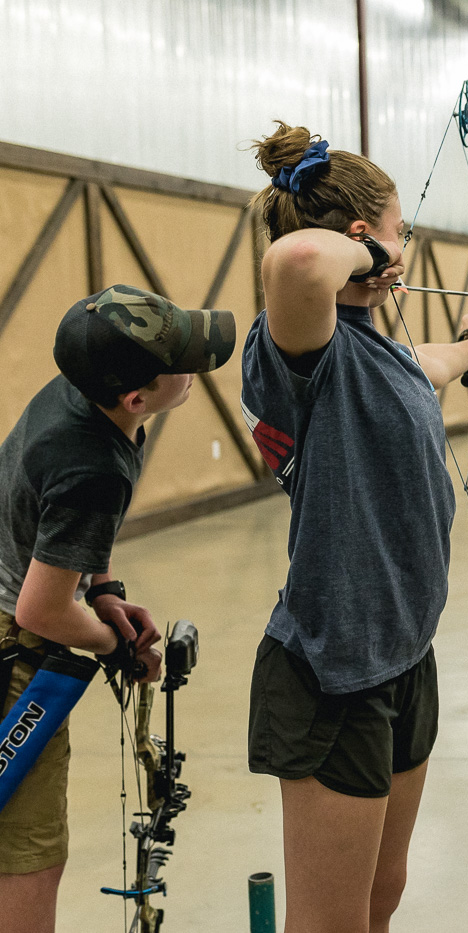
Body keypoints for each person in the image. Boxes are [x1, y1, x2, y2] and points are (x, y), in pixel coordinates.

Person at [241, 123, 468, 933]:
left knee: (381, 894)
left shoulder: (373, 350)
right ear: (358, 238)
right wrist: (371, 256)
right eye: (398, 231)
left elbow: (429, 369)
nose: (404, 248)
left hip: (403, 653)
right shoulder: (296, 347)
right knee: (330, 922)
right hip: (331, 667)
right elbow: (296, 263)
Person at [0, 285, 234, 933]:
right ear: (138, 397)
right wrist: (115, 645)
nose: (194, 366)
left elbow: (64, 535)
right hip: (12, 646)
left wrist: (102, 590)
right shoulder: (93, 465)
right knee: (26, 851)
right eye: (182, 361)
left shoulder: (81, 393)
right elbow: (41, 611)